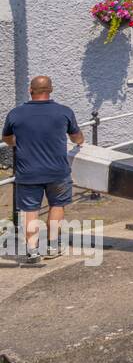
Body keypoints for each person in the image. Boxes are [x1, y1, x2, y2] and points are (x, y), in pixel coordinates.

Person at [3, 76, 83, 264]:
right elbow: (76, 137)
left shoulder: (15, 114)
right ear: (51, 90)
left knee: (30, 210)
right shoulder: (64, 112)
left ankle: (32, 251)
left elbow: (7, 138)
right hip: (58, 172)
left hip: (28, 172)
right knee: (57, 205)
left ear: (30, 90)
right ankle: (53, 246)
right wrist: (80, 142)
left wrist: (17, 142)